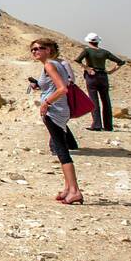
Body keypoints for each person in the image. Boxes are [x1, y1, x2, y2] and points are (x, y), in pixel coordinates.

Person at [29, 38, 83, 204]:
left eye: (40, 48)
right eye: (33, 49)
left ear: (49, 50)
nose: (36, 51)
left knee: (61, 149)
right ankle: (68, 188)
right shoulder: (57, 64)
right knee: (62, 147)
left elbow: (62, 89)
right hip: (60, 110)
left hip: (55, 111)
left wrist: (46, 102)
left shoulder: (49, 65)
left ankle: (74, 190)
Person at [74, 33, 126, 132]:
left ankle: (97, 125)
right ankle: (108, 126)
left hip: (92, 77)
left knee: (94, 100)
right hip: (103, 76)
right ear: (98, 41)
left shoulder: (87, 50)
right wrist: (111, 71)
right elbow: (120, 62)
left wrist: (87, 68)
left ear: (89, 41)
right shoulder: (105, 52)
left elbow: (78, 60)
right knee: (106, 101)